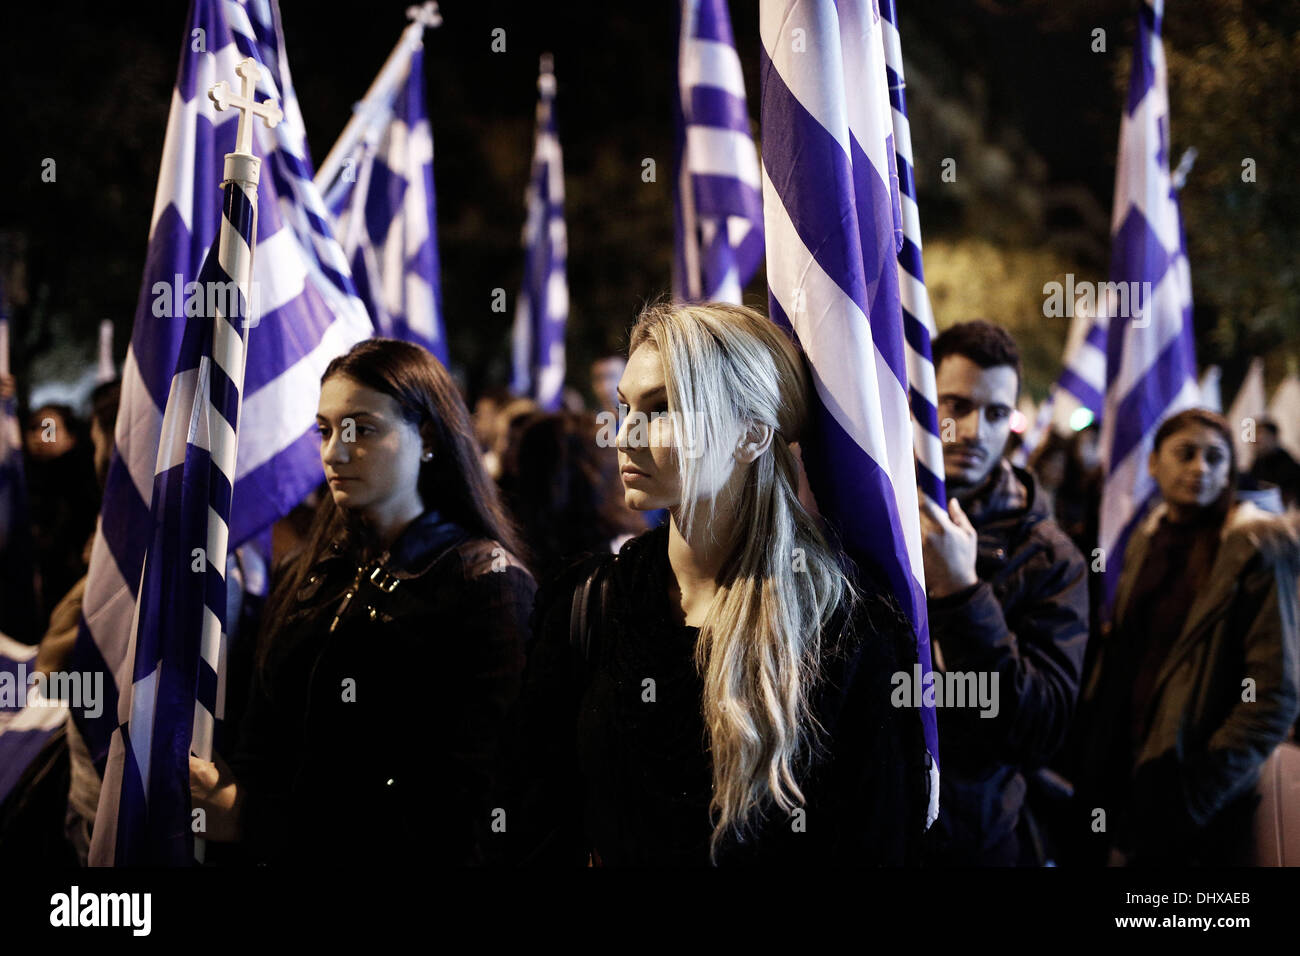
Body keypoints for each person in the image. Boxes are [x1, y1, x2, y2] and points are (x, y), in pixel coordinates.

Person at [497, 302, 930, 866]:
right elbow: (532, 815)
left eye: (661, 409)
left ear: (751, 435)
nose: (624, 436)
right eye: (625, 407)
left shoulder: (847, 631)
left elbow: (879, 840)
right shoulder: (590, 604)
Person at [189, 339, 536, 866]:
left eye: (361, 429)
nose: (334, 452)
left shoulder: (484, 582)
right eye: (325, 430)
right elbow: (260, 738)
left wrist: (255, 821)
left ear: (425, 437)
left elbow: (468, 798)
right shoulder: (304, 571)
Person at [1078, 408, 1300, 865]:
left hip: (1194, 798)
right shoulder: (1149, 534)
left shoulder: (1256, 545)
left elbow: (1273, 695)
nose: (1202, 467)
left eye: (1216, 457)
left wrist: (1197, 794)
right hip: (1128, 776)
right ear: (1155, 462)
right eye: (1187, 453)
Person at [919, 320, 1089, 865]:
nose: (973, 431)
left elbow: (1040, 727)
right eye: (956, 406)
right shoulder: (865, 510)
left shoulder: (1049, 555)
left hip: (971, 835)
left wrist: (960, 593)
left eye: (995, 414)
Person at [1249, 417, 1300, 509]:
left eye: (1260, 434)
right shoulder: (1258, 463)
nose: (1256, 440)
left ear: (1274, 437)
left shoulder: (1290, 467)